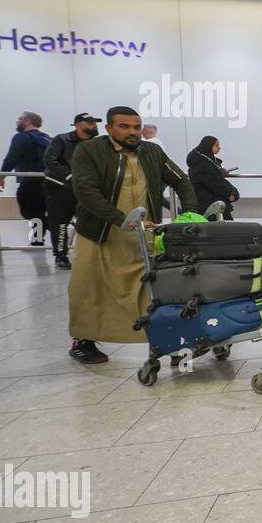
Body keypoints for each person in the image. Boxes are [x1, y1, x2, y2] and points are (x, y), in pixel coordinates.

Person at [68, 106, 198, 364]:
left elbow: (181, 180)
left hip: (143, 235)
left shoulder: (152, 151)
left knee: (149, 290)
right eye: (124, 126)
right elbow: (85, 190)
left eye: (136, 127)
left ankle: (163, 339)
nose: (132, 132)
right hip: (100, 232)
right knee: (89, 286)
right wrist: (119, 220)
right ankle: (83, 340)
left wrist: (191, 216)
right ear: (108, 128)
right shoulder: (89, 150)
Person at [42, 112, 100, 270]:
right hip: (60, 189)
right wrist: (70, 176)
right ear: (78, 124)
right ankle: (60, 255)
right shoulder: (61, 139)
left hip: (85, 190)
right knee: (60, 223)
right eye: (90, 123)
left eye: (95, 123)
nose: (94, 125)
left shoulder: (96, 144)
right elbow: (49, 160)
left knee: (91, 221)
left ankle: (91, 253)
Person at [0, 111, 51, 247]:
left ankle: (56, 227)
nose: (17, 121)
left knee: (28, 212)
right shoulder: (47, 138)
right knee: (38, 212)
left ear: (27, 121)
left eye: (20, 119)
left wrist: (2, 176)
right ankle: (37, 240)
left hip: (30, 182)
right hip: (49, 182)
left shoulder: (21, 138)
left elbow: (11, 158)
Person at [187, 136, 239, 220]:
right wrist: (232, 193)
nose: (219, 148)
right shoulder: (204, 166)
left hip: (206, 201)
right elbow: (216, 183)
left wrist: (220, 170)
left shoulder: (203, 160)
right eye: (216, 145)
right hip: (210, 203)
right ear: (208, 146)